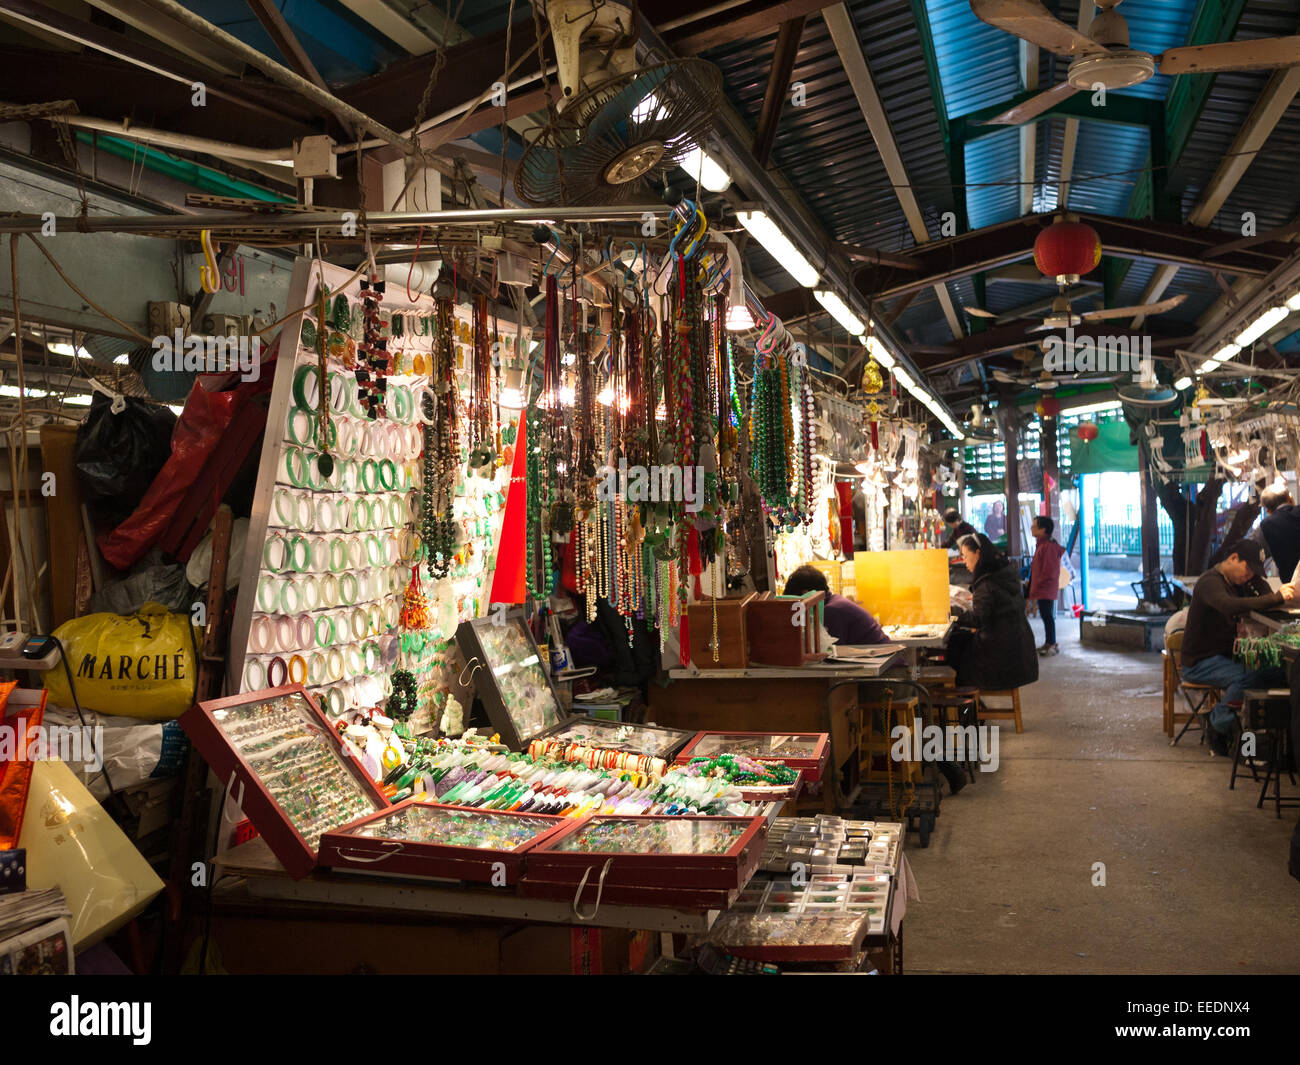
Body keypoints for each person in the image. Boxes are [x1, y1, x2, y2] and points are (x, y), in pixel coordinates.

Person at [1180, 540, 1294, 755]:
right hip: (1200, 662)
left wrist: (1268, 590)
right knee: (1247, 677)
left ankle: (1259, 736)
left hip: (1226, 657)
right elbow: (1228, 605)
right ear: (1233, 558)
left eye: (1254, 572)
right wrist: (1275, 597)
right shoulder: (1210, 582)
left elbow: (1264, 595)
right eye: (1248, 568)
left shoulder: (1241, 583)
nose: (1249, 575)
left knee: (1277, 672)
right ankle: (1218, 722)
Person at [950, 533, 1039, 692]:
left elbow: (978, 620)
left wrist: (951, 612)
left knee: (954, 646)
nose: (964, 561)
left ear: (978, 553)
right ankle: (969, 704)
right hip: (1018, 650)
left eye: (965, 556)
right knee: (960, 642)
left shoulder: (986, 583)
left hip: (999, 658)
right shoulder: (1004, 573)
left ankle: (965, 705)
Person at [782, 565, 887, 644]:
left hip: (888, 670)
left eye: (796, 601)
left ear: (806, 593)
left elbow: (831, 650)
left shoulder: (831, 611)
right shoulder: (834, 602)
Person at [1027, 515, 1067, 657]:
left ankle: (1051, 643)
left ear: (1043, 530)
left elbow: (1049, 571)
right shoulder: (1042, 545)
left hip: (1045, 588)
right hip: (1042, 587)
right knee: (1045, 615)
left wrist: (1038, 585)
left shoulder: (1048, 547)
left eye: (1034, 526)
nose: (1031, 528)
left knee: (1047, 616)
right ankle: (1049, 642)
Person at [1258, 486, 1300, 582]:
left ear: (1267, 510)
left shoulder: (1266, 525)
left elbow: (1258, 553)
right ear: (1289, 498)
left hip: (1291, 585)